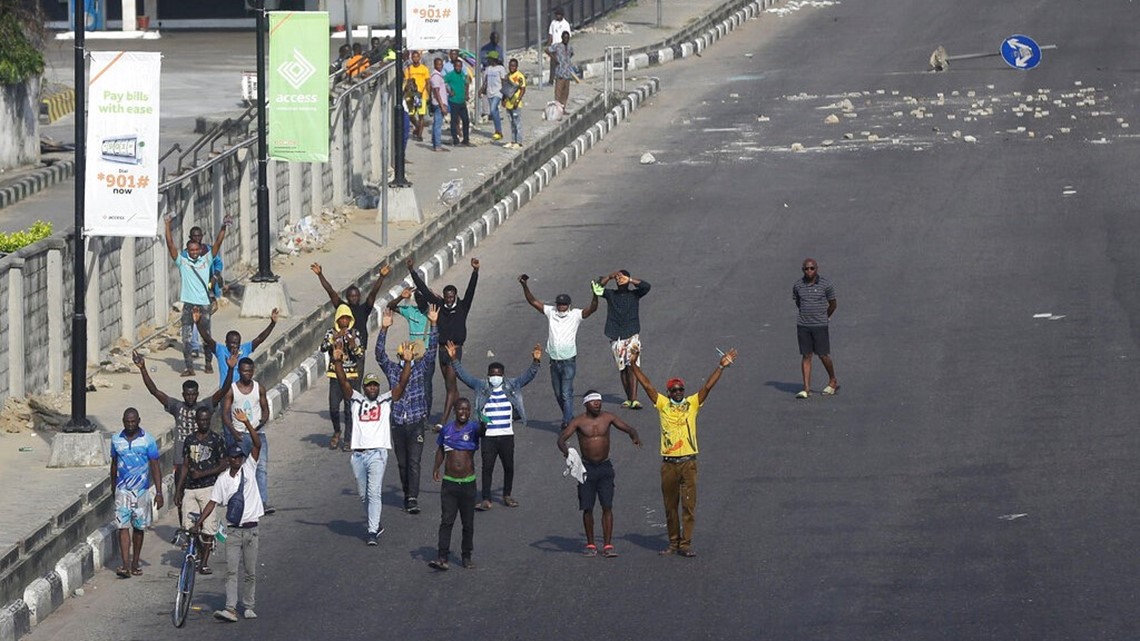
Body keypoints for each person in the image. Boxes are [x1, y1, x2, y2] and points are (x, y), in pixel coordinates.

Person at [628, 345, 737, 557]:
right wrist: (633, 364)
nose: (678, 392)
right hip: (668, 463)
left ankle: (686, 544)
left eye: (681, 389)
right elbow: (647, 385)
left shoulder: (692, 404)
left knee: (688, 506)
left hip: (689, 463)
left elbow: (707, 387)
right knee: (670, 507)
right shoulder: (662, 405)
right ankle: (673, 543)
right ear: (668, 392)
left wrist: (721, 367)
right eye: (674, 390)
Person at [132, 350, 236, 522]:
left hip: (203, 460)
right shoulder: (176, 406)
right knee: (180, 496)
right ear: (183, 394)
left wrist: (231, 369)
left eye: (193, 394)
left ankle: (204, 526)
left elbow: (224, 390)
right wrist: (143, 368)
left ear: (197, 393)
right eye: (187, 394)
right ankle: (185, 528)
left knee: (205, 495)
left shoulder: (205, 406)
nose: (190, 397)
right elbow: (154, 391)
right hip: (181, 459)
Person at [331, 344, 413, 545]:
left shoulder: (385, 401)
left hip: (377, 454)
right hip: (358, 455)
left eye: (375, 385)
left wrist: (408, 362)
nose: (373, 388)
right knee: (363, 495)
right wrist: (338, 362)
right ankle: (375, 522)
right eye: (369, 385)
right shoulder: (356, 400)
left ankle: (372, 531)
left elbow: (402, 385)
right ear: (364, 388)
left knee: (374, 492)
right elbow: (343, 383)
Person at [447, 340, 542, 510]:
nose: (495, 377)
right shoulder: (481, 386)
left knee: (509, 466)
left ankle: (507, 495)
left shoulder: (511, 385)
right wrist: (454, 359)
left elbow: (528, 376)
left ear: (503, 375)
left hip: (507, 435)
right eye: (492, 374)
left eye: (498, 374)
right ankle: (486, 499)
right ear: (488, 375)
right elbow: (464, 376)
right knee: (487, 468)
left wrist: (536, 362)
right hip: (488, 436)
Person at [192, 409, 263, 622]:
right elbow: (212, 503)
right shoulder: (223, 480)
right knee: (231, 571)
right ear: (229, 459)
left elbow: (257, 444)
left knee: (250, 572)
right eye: (233, 457)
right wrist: (199, 523)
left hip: (251, 529)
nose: (237, 460)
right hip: (233, 532)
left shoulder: (249, 468)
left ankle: (248, 605)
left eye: (239, 457)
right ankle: (230, 608)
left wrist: (247, 423)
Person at [557, 391, 641, 557]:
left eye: (599, 401)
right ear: (586, 404)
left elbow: (628, 428)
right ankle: (590, 544)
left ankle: (608, 545)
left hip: (604, 468)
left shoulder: (608, 417)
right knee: (587, 508)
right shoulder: (578, 422)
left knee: (607, 506)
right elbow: (561, 439)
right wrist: (567, 453)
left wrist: (634, 436)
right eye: (593, 401)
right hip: (586, 469)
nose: (597, 404)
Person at [376, 304, 440, 514]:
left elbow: (432, 350)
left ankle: (412, 498)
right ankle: (406, 492)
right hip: (397, 422)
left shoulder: (421, 369)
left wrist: (433, 323)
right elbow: (379, 355)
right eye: (404, 350)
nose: (407, 351)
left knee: (414, 461)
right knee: (402, 464)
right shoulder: (393, 371)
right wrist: (384, 329)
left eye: (410, 350)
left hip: (416, 422)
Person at [408, 255, 479, 430]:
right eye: (446, 297)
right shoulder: (438, 305)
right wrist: (411, 271)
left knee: (449, 386)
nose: (448, 299)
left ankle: (443, 421)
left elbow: (471, 290)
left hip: (455, 350)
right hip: (440, 350)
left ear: (455, 296)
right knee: (452, 386)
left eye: (451, 297)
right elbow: (423, 290)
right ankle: (464, 416)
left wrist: (475, 271)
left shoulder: (463, 306)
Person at [518, 274, 598, 428]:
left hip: (568, 361)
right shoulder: (551, 312)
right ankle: (569, 417)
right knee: (558, 394)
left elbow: (592, 309)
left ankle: (567, 422)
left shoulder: (575, 315)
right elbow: (532, 301)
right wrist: (524, 285)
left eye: (564, 304)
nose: (561, 307)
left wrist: (595, 294)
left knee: (566, 392)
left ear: (569, 305)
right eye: (559, 304)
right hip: (554, 361)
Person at [165, 215, 226, 377]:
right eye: (191, 250)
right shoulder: (183, 262)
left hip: (204, 304)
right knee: (186, 337)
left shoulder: (206, 260)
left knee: (206, 337)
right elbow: (170, 245)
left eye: (196, 250)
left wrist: (223, 227)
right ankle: (189, 368)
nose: (193, 253)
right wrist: (167, 225)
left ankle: (207, 364)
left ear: (200, 250)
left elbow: (218, 244)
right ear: (187, 251)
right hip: (188, 305)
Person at [428, 398, 484, 570]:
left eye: (467, 410)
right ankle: (442, 557)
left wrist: (484, 421)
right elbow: (440, 450)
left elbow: (483, 430)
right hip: (449, 484)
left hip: (468, 484)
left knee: (468, 523)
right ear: (455, 411)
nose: (464, 413)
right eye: (461, 409)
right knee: (446, 521)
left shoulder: (474, 428)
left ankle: (466, 556)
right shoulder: (446, 430)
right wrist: (436, 467)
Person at [110, 408, 163, 578]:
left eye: (133, 421)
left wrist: (159, 492)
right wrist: (113, 488)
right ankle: (125, 564)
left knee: (138, 528)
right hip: (122, 491)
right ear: (123, 421)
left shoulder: (148, 440)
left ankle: (135, 562)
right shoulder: (116, 440)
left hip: (141, 492)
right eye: (127, 422)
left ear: (138, 420)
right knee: (122, 527)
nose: (130, 425)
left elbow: (155, 465)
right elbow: (114, 464)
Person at [176, 406, 227, 575]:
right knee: (189, 526)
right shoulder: (189, 440)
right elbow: (184, 465)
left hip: (209, 488)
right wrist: (179, 490)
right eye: (201, 420)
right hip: (190, 489)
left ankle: (204, 562)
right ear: (196, 421)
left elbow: (223, 464)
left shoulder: (216, 440)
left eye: (206, 420)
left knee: (208, 527)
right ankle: (197, 551)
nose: (204, 423)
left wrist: (203, 474)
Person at [222, 358, 273, 513]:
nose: (247, 374)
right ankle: (241, 502)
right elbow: (224, 414)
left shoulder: (259, 388)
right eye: (244, 371)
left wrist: (261, 422)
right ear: (239, 371)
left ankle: (262, 502)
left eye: (250, 371)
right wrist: (233, 432)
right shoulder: (232, 390)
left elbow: (265, 410)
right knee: (241, 470)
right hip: (240, 436)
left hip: (257, 434)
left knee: (261, 468)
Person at [596, 269, 651, 409]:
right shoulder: (610, 295)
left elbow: (646, 286)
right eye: (618, 278)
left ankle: (634, 399)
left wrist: (630, 279)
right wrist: (609, 276)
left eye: (622, 278)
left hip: (632, 334)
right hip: (616, 336)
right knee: (623, 368)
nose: (620, 280)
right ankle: (628, 399)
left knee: (633, 366)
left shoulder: (634, 294)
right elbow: (596, 288)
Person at [311, 263, 391, 353]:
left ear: (359, 296)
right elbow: (331, 292)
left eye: (356, 296)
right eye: (351, 296)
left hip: (359, 349)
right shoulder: (343, 308)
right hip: (344, 349)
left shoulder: (364, 309)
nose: (354, 298)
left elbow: (373, 293)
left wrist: (381, 277)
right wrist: (320, 275)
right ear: (347, 297)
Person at [193, 306, 278, 388]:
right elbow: (207, 339)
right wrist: (198, 323)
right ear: (226, 343)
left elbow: (260, 339)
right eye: (232, 343)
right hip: (225, 392)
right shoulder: (220, 350)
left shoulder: (244, 349)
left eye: (237, 343)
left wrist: (272, 324)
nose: (235, 346)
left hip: (240, 392)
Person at [182, 221, 229, 368]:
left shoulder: (208, 252)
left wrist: (214, 278)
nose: (197, 238)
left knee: (205, 329)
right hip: (191, 297)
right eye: (194, 237)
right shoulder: (185, 255)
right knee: (188, 331)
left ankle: (207, 360)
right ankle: (194, 350)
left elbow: (218, 263)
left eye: (199, 236)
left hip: (206, 293)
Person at [319, 304, 366, 450]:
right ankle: (337, 431)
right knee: (333, 407)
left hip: (350, 375)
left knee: (348, 409)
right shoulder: (331, 332)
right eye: (342, 319)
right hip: (335, 375)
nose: (344, 322)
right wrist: (335, 338)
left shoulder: (355, 333)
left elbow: (360, 354)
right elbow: (323, 347)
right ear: (337, 320)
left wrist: (352, 344)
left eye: (347, 318)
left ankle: (348, 438)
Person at [793, 258, 838, 398]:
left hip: (820, 325)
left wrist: (825, 317)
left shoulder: (826, 285)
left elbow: (833, 304)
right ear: (803, 270)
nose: (809, 271)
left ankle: (832, 380)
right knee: (806, 355)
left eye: (812, 268)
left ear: (817, 269)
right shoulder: (798, 285)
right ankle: (806, 389)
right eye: (806, 268)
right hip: (803, 325)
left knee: (823, 355)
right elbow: (799, 302)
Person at [405, 50, 431, 141]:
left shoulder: (424, 69)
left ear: (419, 58)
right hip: (411, 95)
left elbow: (427, 82)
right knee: (410, 115)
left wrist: (428, 94)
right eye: (414, 57)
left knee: (421, 115)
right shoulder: (409, 69)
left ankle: (419, 135)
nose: (415, 58)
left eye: (417, 57)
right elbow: (407, 81)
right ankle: (417, 127)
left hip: (421, 95)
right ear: (411, 58)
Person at [445, 58, 471, 146]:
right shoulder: (450, 75)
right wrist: (449, 91)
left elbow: (467, 83)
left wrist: (466, 93)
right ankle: (455, 139)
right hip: (454, 101)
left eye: (460, 66)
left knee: (466, 120)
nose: (458, 68)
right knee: (454, 121)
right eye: (457, 66)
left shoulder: (462, 74)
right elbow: (444, 82)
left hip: (462, 101)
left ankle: (466, 139)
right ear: (454, 66)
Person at [481, 51, 506, 141]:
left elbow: (503, 81)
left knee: (493, 109)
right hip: (489, 92)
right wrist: (482, 89)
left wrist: (504, 94)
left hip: (498, 92)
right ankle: (497, 130)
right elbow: (486, 81)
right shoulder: (488, 69)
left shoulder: (500, 69)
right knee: (494, 112)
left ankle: (499, 131)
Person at [502, 58, 527, 149]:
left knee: (517, 123)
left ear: (516, 66)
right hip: (508, 103)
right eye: (510, 65)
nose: (512, 67)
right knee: (511, 123)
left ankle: (519, 142)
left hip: (516, 103)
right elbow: (505, 89)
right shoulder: (507, 76)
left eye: (514, 66)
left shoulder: (519, 76)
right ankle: (513, 141)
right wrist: (503, 100)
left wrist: (517, 100)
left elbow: (523, 89)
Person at [428, 56, 451, 152]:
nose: (440, 66)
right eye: (438, 64)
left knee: (435, 124)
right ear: (435, 65)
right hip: (438, 103)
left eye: (441, 64)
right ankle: (437, 145)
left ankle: (435, 143)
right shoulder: (436, 76)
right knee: (438, 125)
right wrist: (442, 106)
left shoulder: (439, 75)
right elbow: (436, 92)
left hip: (439, 102)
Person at [546, 31, 575, 107]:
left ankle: (563, 108)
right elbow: (547, 50)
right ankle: (557, 108)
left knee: (565, 93)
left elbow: (571, 54)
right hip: (560, 73)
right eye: (564, 37)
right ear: (562, 38)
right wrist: (554, 58)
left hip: (567, 73)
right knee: (558, 92)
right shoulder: (557, 46)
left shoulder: (569, 47)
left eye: (567, 38)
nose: (566, 39)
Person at [546, 8, 571, 84]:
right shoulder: (553, 23)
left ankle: (561, 78)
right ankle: (551, 80)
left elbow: (567, 36)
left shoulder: (565, 24)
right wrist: (548, 46)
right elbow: (551, 34)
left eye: (559, 15)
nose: (558, 16)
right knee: (553, 63)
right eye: (557, 15)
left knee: (561, 63)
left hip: (561, 46)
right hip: (554, 46)